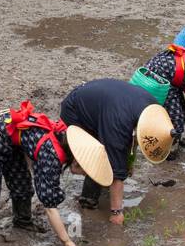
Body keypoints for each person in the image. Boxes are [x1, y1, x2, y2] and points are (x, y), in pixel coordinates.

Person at [0, 100, 88, 246]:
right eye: (85, 172)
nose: (84, 175)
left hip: (12, 142)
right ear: (77, 161)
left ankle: (22, 221)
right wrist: (67, 241)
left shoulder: (64, 138)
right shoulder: (51, 156)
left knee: (23, 188)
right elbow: (50, 207)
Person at [59, 78, 174, 220]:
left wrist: (129, 163)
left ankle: (96, 181)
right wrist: (116, 212)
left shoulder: (152, 111)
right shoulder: (119, 124)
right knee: (101, 156)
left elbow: (136, 137)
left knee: (114, 158)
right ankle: (87, 199)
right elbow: (117, 173)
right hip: (76, 110)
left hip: (104, 103)